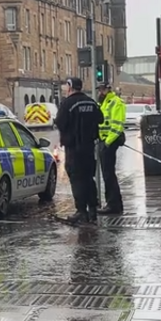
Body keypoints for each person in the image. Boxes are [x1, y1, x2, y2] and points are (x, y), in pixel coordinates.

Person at [54, 77, 103, 225]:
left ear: (70, 87)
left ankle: (81, 212)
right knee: (89, 179)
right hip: (89, 147)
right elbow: (100, 119)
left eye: (66, 86)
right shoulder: (91, 102)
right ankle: (93, 210)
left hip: (74, 148)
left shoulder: (67, 103)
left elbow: (60, 123)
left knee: (77, 179)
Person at [96, 83, 126, 215]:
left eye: (103, 89)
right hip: (104, 141)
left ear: (108, 89)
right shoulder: (104, 102)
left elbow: (117, 126)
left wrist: (107, 142)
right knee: (107, 174)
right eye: (100, 90)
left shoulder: (115, 102)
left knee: (108, 175)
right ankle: (114, 204)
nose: (100, 92)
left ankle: (113, 205)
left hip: (109, 142)